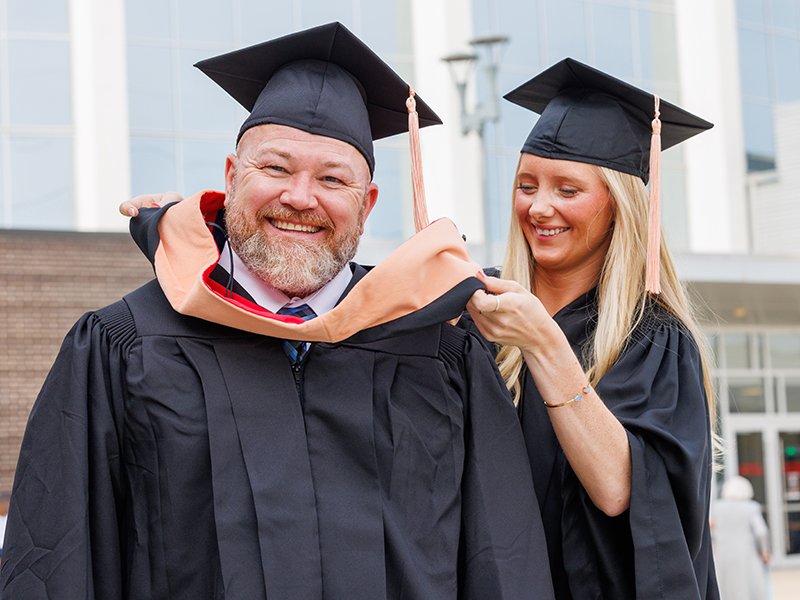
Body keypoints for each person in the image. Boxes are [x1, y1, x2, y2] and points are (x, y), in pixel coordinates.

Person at [0, 23, 554, 600]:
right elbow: (57, 560)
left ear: (366, 206)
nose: (299, 197)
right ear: (232, 178)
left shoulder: (439, 352)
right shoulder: (122, 345)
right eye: (276, 169)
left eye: (332, 179)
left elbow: (502, 562)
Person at [465, 59, 720, 599]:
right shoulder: (477, 320)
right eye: (526, 185)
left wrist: (540, 340)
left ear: (618, 206)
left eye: (568, 189)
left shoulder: (652, 340)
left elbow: (619, 489)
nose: (539, 207)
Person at [710, 476, 770, 600]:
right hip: (746, 553)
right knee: (748, 586)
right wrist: (764, 551)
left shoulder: (717, 507)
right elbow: (761, 531)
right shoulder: (751, 507)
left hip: (723, 554)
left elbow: (710, 529)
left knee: (725, 587)